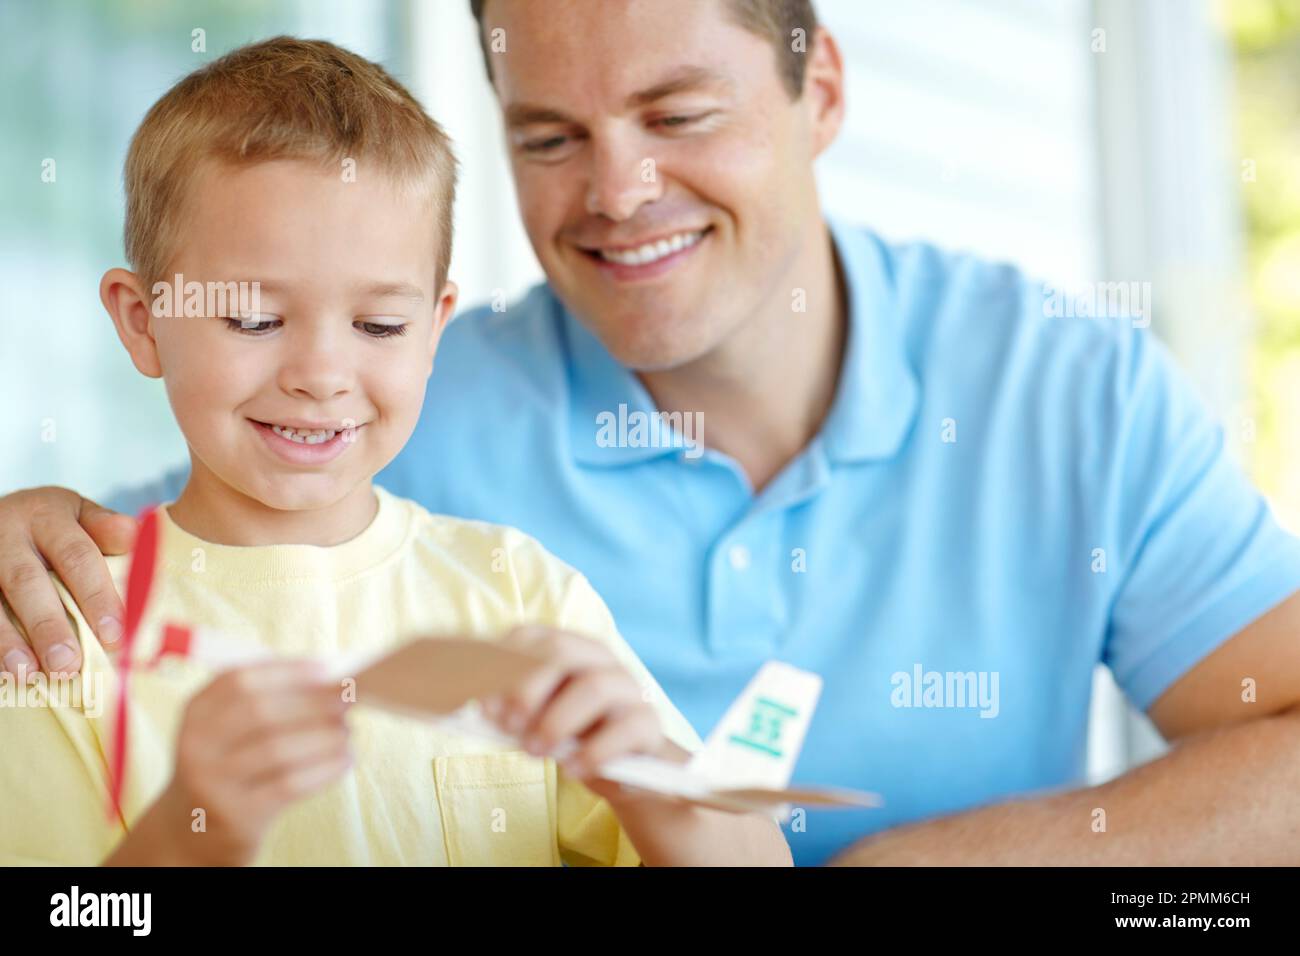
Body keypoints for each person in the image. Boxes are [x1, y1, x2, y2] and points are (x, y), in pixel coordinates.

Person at [5, 0, 1300, 866]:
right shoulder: (388, 405)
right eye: (551, 136)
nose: (618, 194)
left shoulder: (1066, 386)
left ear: (823, 89)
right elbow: (153, 549)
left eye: (680, 116)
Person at [0, 36, 790, 867]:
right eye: (254, 319)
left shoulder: (520, 595)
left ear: (434, 329)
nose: (320, 376)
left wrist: (648, 782)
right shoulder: (61, 630)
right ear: (141, 320)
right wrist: (195, 829)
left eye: (380, 326)